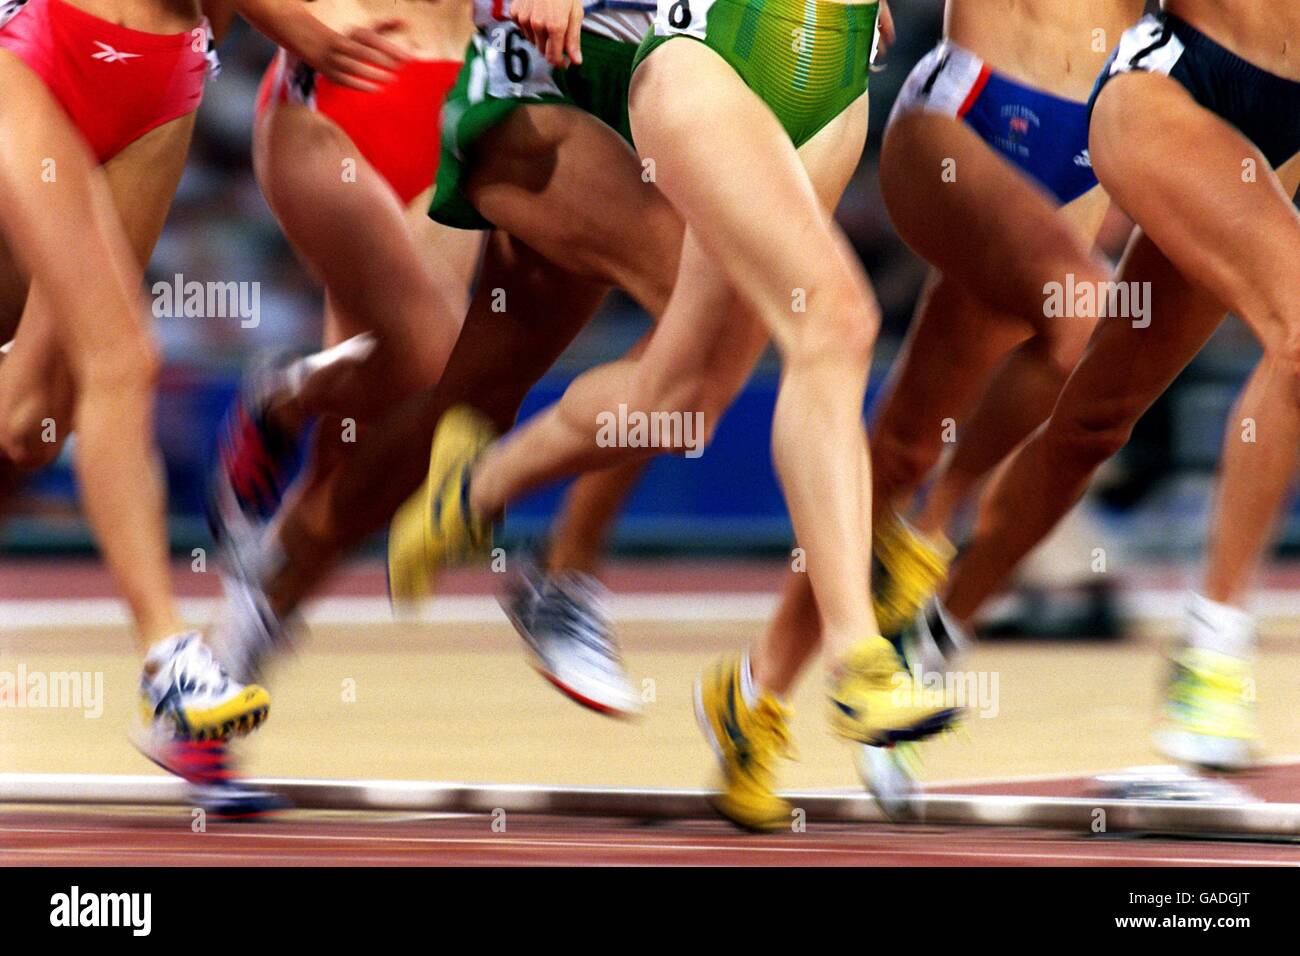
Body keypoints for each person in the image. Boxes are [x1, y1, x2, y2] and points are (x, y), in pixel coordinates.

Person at [388, 0, 960, 830]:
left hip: (831, 76)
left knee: (677, 398)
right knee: (835, 321)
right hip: (706, 48)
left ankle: (475, 488)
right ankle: (856, 656)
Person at [909, 0, 1300, 771]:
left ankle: (930, 634)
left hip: (1283, 130)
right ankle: (1212, 660)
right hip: (1176, 87)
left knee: (1095, 422)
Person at [0, 0, 271, 783]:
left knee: (31, 426)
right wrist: (309, 27)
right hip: (33, 44)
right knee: (123, 359)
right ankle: (170, 660)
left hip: (165, 73)